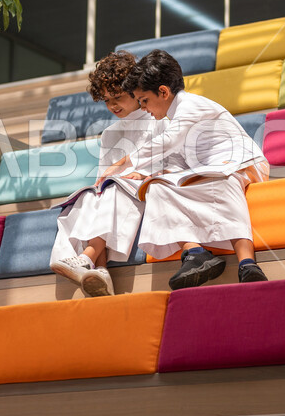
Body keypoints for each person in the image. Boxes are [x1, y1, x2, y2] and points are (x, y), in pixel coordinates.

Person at [113, 50, 270, 290]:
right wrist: (149, 175)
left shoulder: (191, 105)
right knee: (157, 188)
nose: (143, 108)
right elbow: (177, 161)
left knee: (223, 180)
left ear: (163, 92)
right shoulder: (174, 117)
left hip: (243, 163)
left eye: (144, 100)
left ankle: (247, 263)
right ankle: (196, 254)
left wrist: (124, 163)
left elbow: (168, 141)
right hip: (209, 169)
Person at [50, 51, 158, 297]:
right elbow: (102, 178)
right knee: (88, 197)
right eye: (107, 100)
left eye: (118, 97)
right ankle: (100, 270)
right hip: (118, 191)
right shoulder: (110, 133)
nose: (112, 106)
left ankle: (85, 258)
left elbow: (159, 161)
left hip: (146, 189)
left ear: (136, 90)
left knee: (112, 189)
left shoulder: (157, 120)